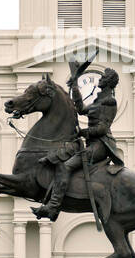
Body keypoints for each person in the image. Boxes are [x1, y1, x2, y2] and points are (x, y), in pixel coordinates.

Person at [32, 68, 123, 221]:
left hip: (100, 146)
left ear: (109, 82)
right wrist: (75, 86)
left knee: (66, 166)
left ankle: (53, 207)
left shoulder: (109, 102)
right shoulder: (98, 100)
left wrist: (83, 132)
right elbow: (80, 109)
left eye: (104, 77)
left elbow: (103, 128)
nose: (100, 79)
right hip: (90, 144)